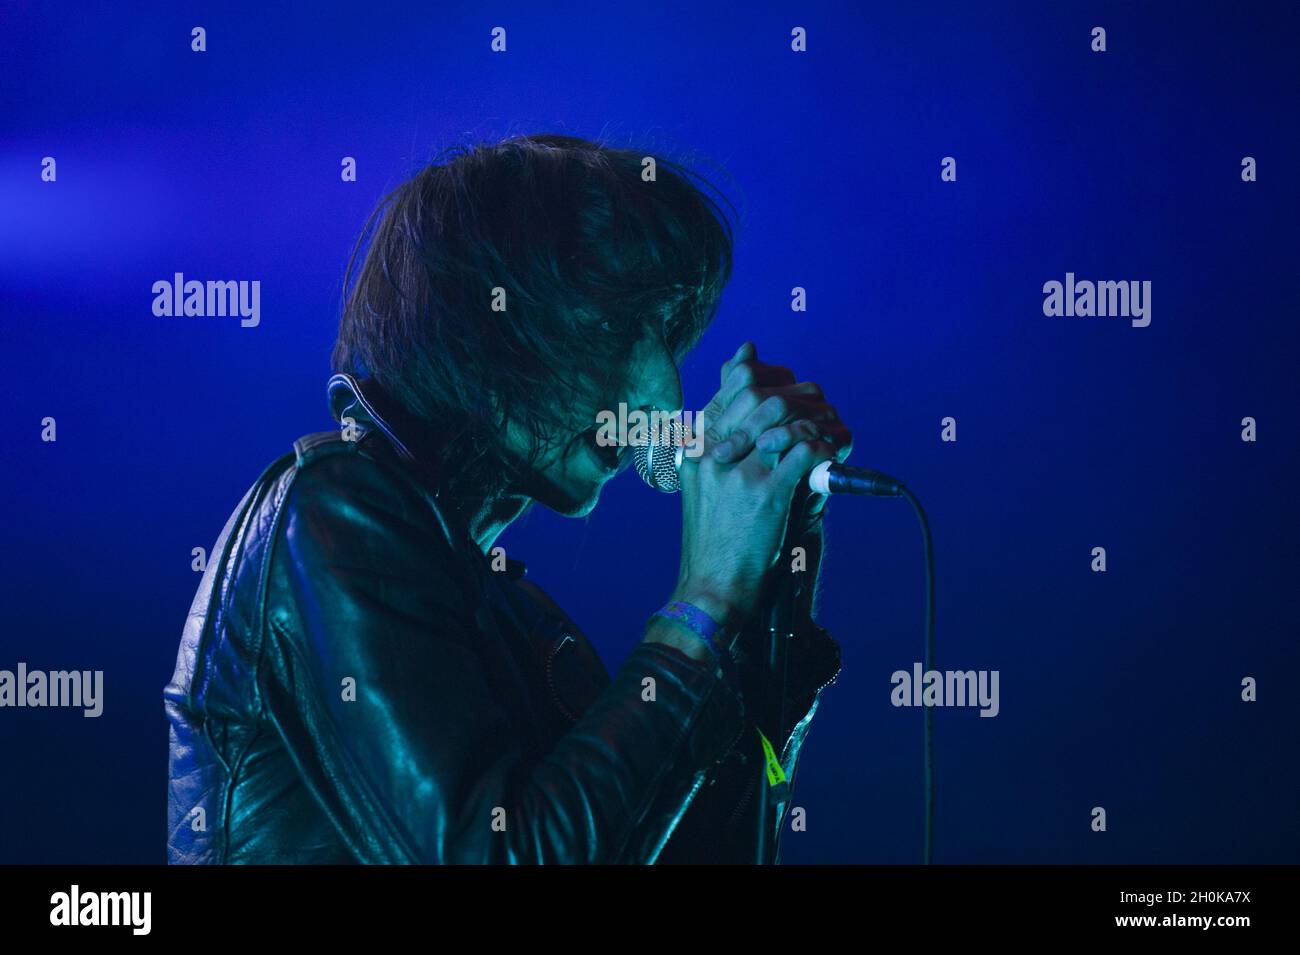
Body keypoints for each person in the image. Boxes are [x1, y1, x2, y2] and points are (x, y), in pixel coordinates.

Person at [164, 134, 850, 864]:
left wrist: (770, 591)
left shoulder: (518, 621)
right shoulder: (330, 512)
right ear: (488, 326)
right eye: (622, 329)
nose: (664, 395)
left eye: (668, 341)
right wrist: (705, 598)